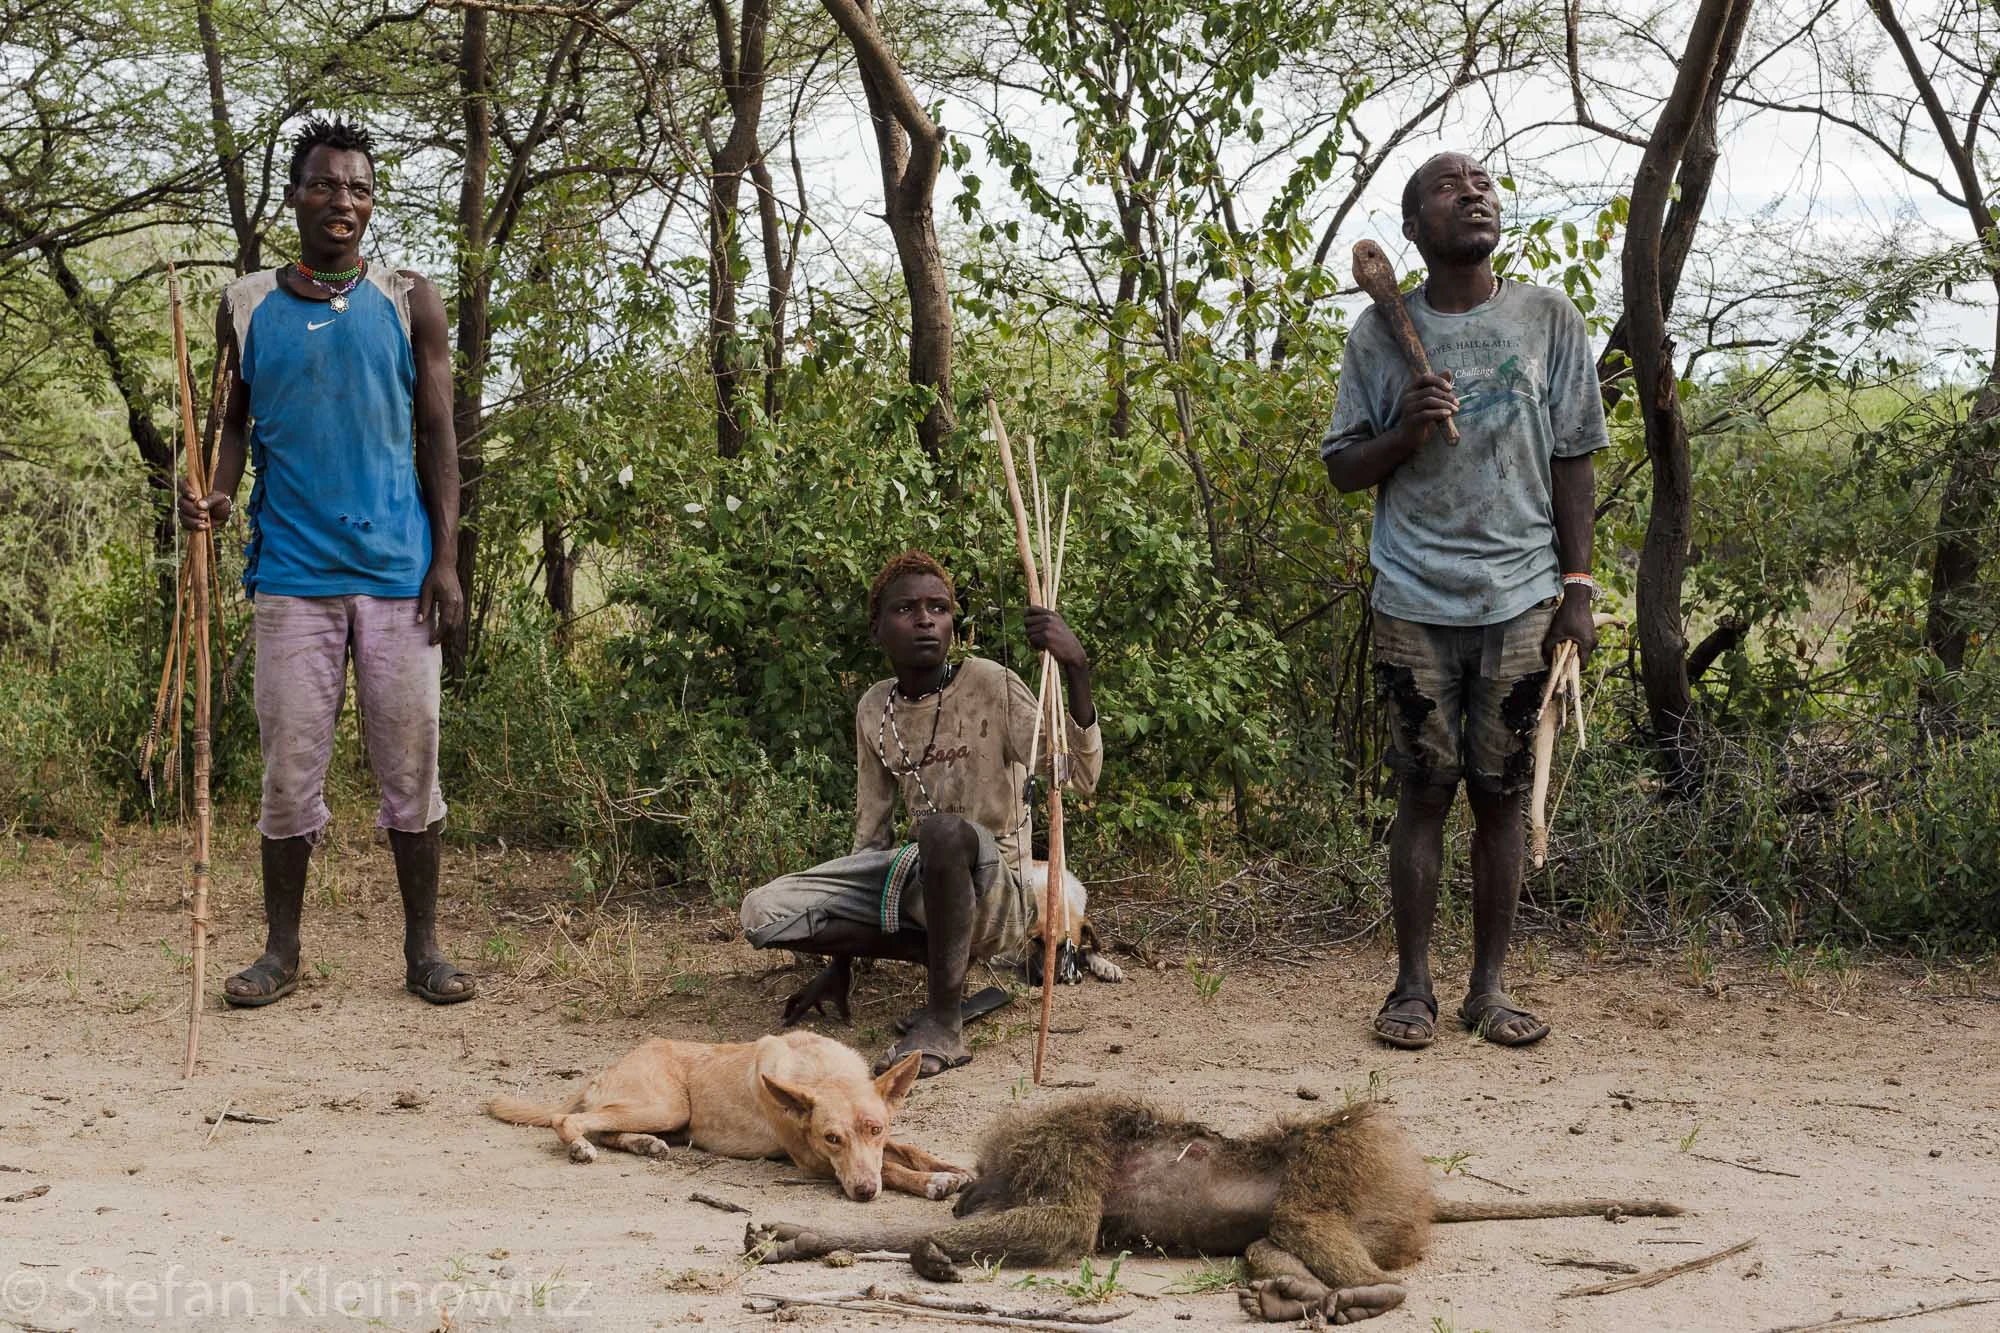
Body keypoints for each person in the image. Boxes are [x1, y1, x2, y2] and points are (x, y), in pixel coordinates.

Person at [178, 115, 473, 1008]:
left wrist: (446, 560)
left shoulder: (409, 295)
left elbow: (438, 435)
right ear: (295, 196)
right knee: (288, 765)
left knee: (410, 765)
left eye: (358, 188)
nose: (343, 201)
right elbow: (233, 423)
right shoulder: (247, 303)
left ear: (371, 202)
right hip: (292, 576)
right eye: (325, 185)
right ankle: (281, 952)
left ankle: (424, 950)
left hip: (397, 573)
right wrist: (218, 494)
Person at [1321, 151, 1609, 1049]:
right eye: (1447, 188)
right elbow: (1340, 466)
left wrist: (1578, 586)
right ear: (1412, 229)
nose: (1473, 194)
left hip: (1523, 596)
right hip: (1412, 594)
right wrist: (1403, 431)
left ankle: (1490, 988)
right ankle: (1411, 989)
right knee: (1422, 790)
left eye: (1481, 184)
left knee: (1501, 793)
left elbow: (1573, 455)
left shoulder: (1546, 317)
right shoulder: (1379, 335)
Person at [739, 551, 1101, 1078]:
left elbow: (1079, 777)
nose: (926, 619)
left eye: (939, 607)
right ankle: (947, 961)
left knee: (945, 833)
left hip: (1000, 892)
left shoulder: (991, 684)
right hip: (921, 881)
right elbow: (872, 834)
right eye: (906, 609)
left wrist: (1076, 667)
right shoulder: (874, 707)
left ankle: (945, 1021)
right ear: (877, 630)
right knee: (765, 911)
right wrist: (841, 965)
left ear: (954, 623)